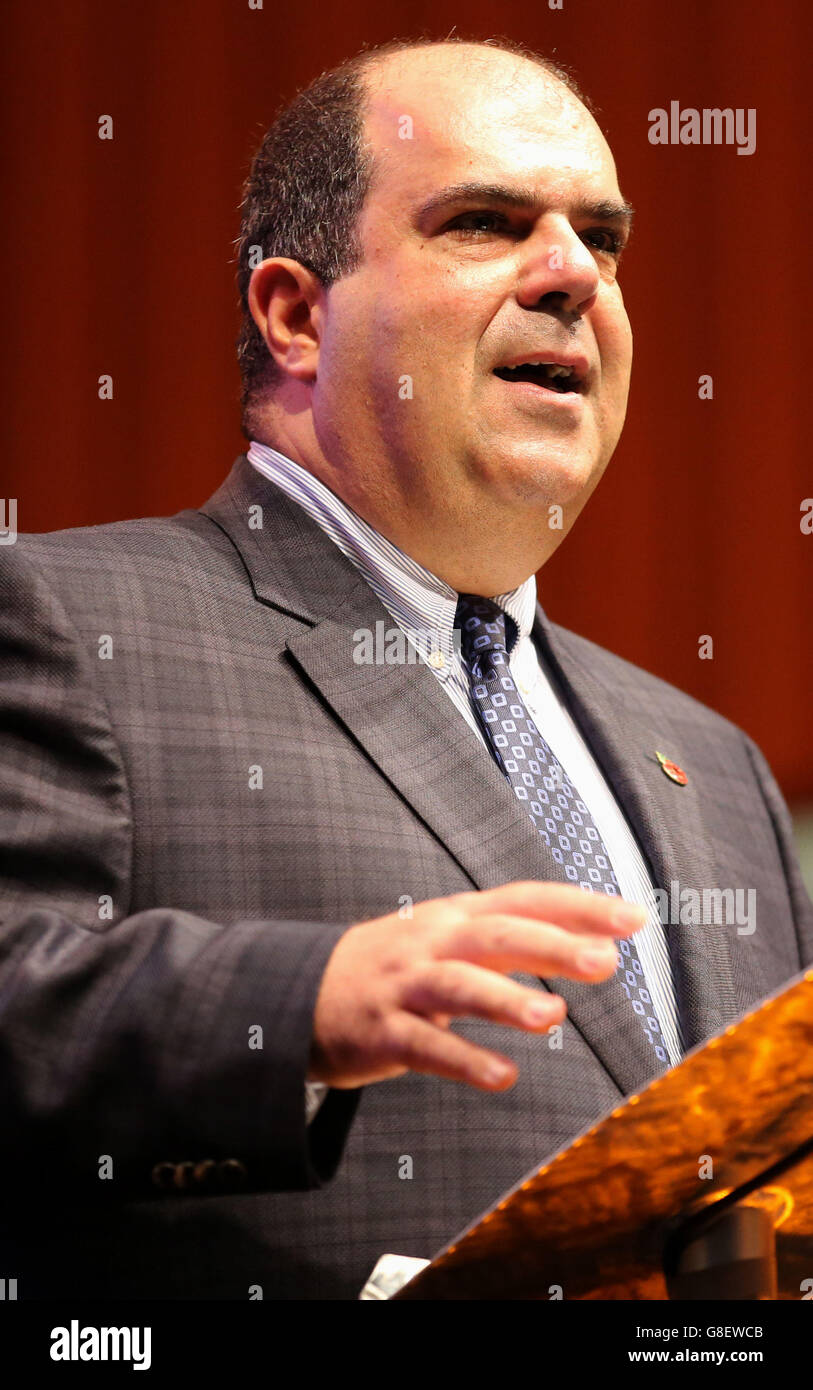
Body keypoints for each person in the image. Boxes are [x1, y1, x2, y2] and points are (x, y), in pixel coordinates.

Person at [1, 36, 810, 1302]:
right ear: (296, 314)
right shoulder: (62, 617)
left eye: (602, 240)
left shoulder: (714, 762)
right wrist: (301, 1003)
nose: (573, 277)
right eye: (486, 223)